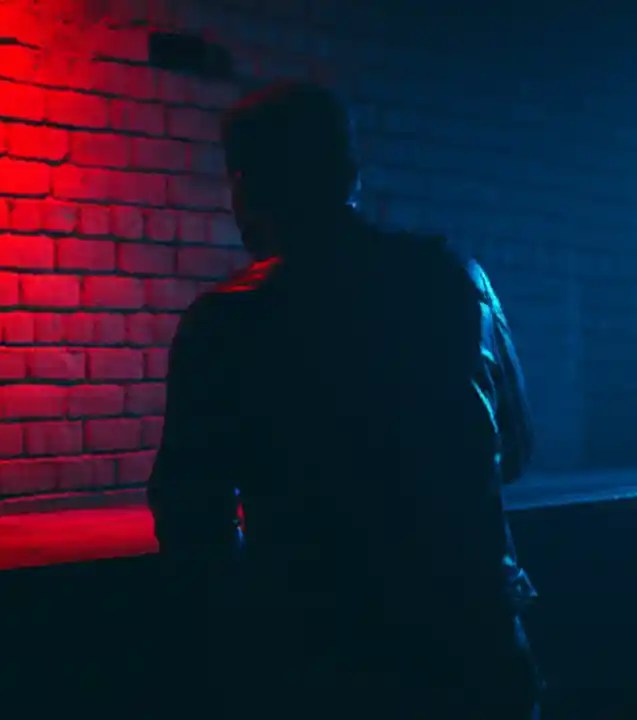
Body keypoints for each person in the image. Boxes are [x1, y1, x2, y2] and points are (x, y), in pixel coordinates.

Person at [146, 81, 542, 718]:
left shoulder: (225, 321)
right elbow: (516, 452)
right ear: (351, 174)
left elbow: (195, 523)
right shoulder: (458, 279)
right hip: (477, 645)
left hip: (324, 660)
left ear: (247, 183)